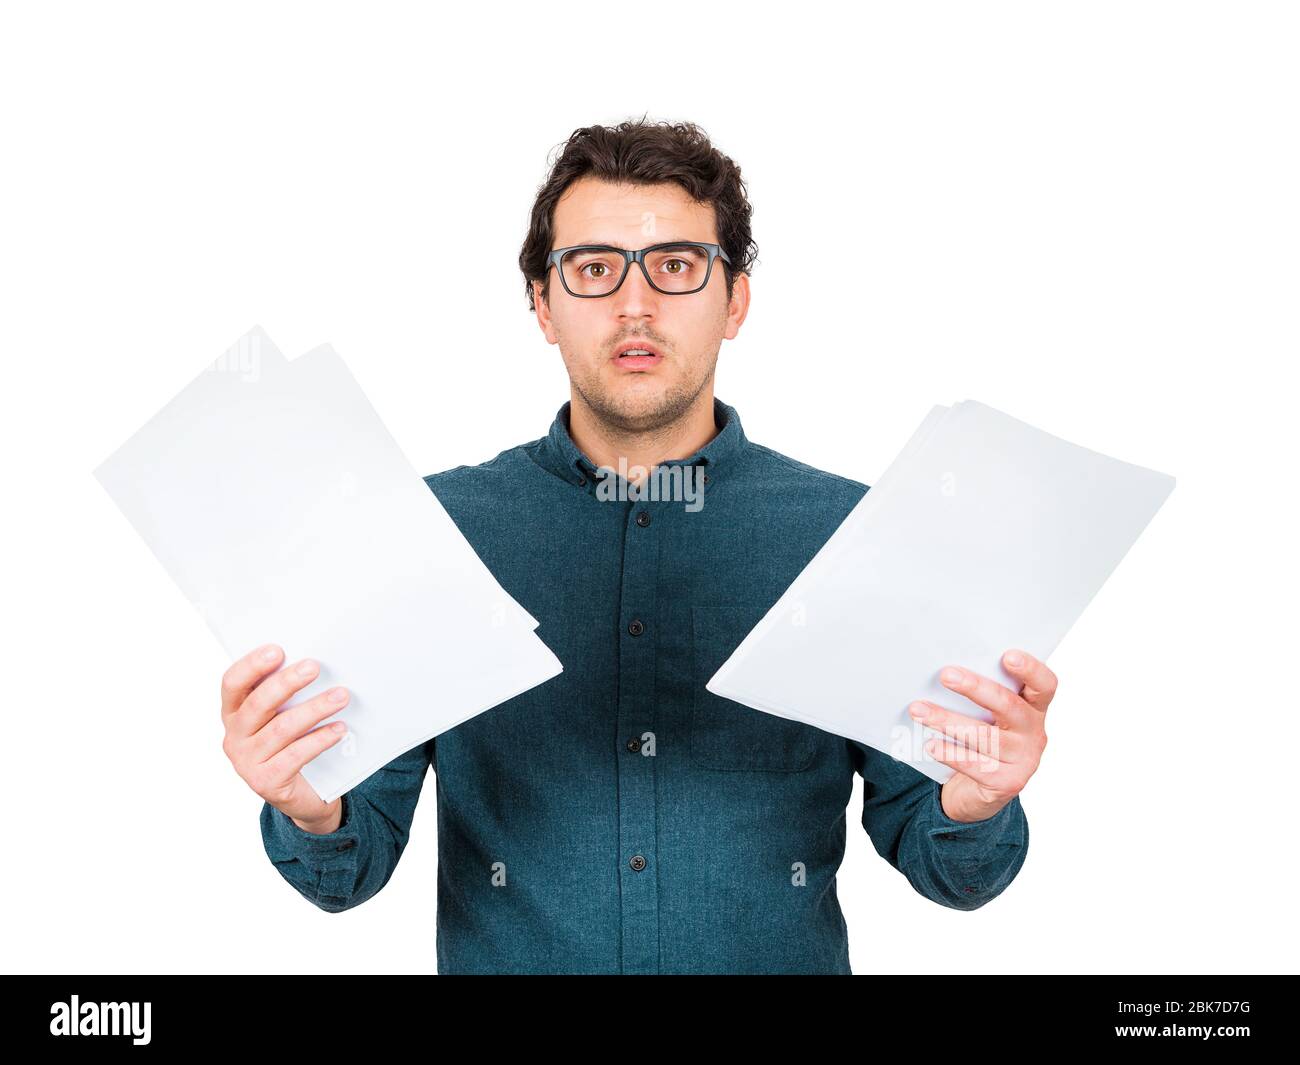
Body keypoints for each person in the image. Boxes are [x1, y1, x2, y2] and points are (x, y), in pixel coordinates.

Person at [220, 118, 1056, 975]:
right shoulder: (433, 534)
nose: (635, 305)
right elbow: (349, 866)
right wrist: (306, 804)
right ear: (543, 305)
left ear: (735, 300)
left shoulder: (855, 536)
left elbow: (949, 862)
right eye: (592, 268)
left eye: (677, 266)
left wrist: (979, 802)